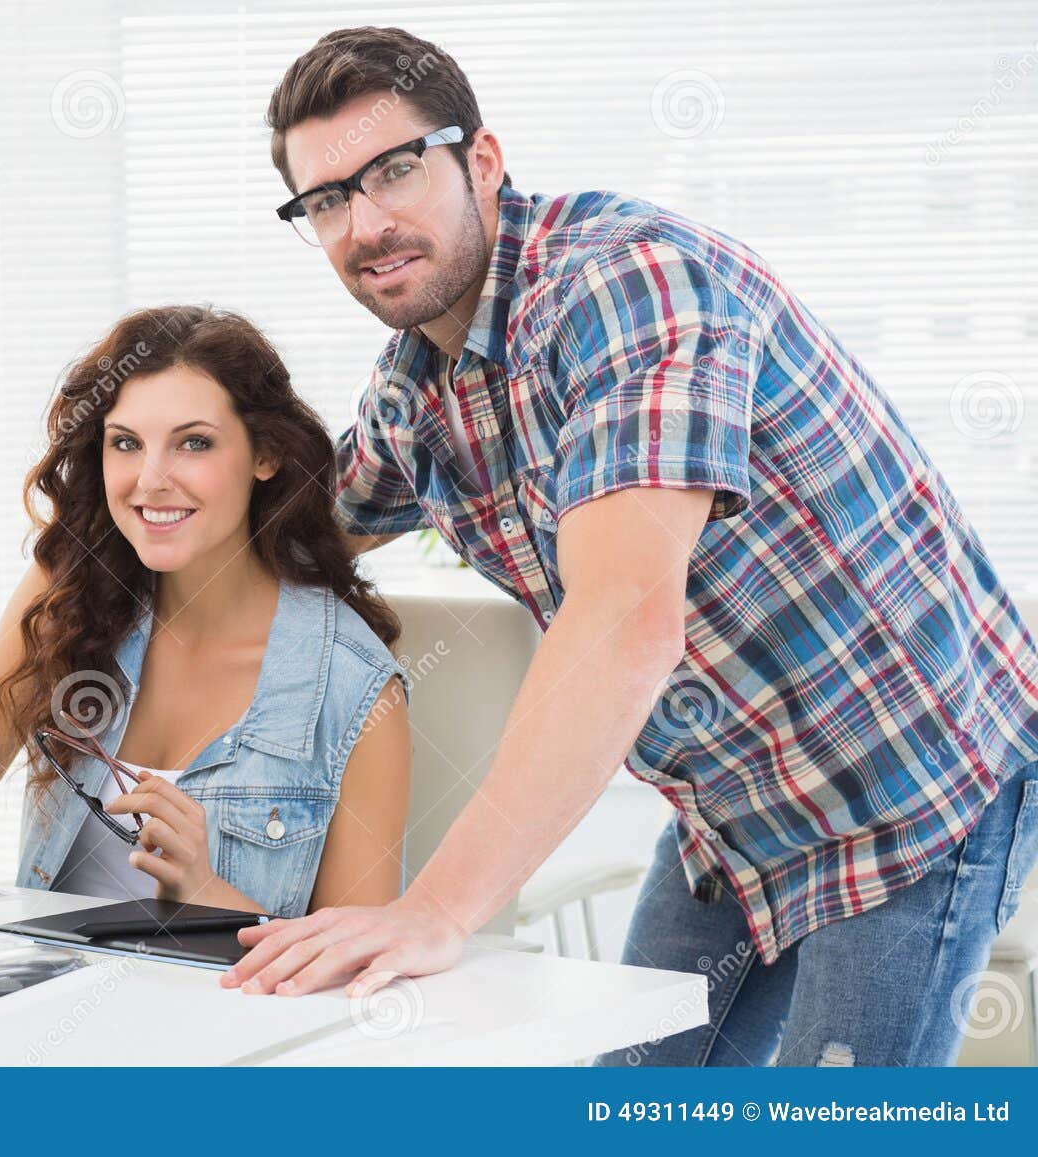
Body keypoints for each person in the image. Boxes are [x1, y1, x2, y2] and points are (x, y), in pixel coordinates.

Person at [222, 26, 1038, 1067]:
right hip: (733, 810)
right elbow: (294, 535)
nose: (365, 221)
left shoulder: (625, 282)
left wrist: (435, 906)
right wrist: (146, 495)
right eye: (327, 199)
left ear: (480, 161)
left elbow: (621, 621)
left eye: (393, 170)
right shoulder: (413, 391)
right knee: (629, 1099)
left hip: (907, 784)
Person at [0, 304, 412, 920]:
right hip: (40, 999)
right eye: (126, 443)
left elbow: (349, 971)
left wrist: (207, 895)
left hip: (217, 1015)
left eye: (194, 443)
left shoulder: (355, 689)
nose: (150, 481)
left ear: (266, 456)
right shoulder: (68, 594)